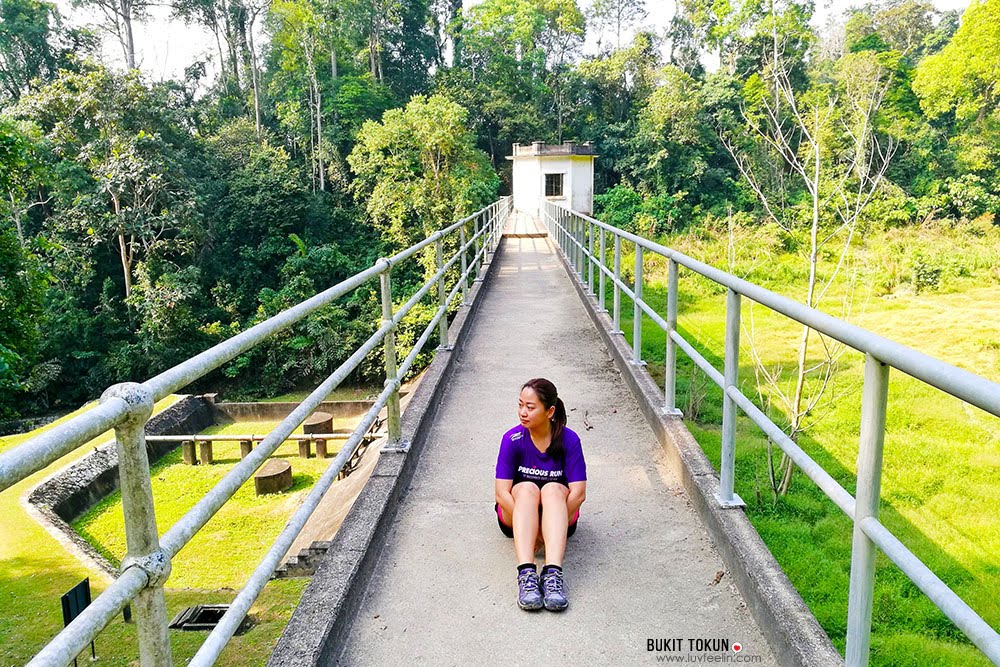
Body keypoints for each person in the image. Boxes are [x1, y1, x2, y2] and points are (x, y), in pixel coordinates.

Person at [494, 378, 587, 611]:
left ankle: (553, 575)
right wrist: (534, 528)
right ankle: (526, 575)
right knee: (527, 488)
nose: (522, 412)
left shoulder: (569, 440)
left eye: (530, 407)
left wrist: (549, 527)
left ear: (550, 411)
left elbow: (578, 494)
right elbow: (501, 494)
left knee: (553, 489)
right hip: (517, 514)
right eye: (520, 405)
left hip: (559, 516)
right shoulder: (512, 439)